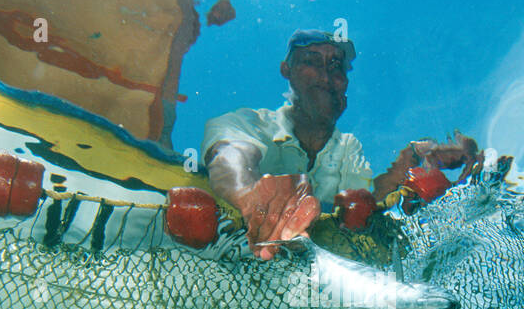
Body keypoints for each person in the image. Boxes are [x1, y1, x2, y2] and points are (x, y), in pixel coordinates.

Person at [202, 29, 479, 259]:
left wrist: (414, 159)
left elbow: (365, 205)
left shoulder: (348, 148)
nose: (325, 77)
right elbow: (229, 158)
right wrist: (250, 196)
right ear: (287, 70)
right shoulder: (247, 123)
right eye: (311, 62)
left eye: (335, 67)